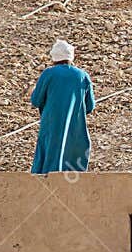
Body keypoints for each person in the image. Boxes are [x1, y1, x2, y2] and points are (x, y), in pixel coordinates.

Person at [29, 39, 96, 174]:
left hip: (51, 126)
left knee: (48, 162)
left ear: (54, 57)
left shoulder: (49, 74)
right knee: (73, 170)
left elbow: (36, 100)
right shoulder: (82, 76)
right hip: (76, 129)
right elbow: (90, 106)